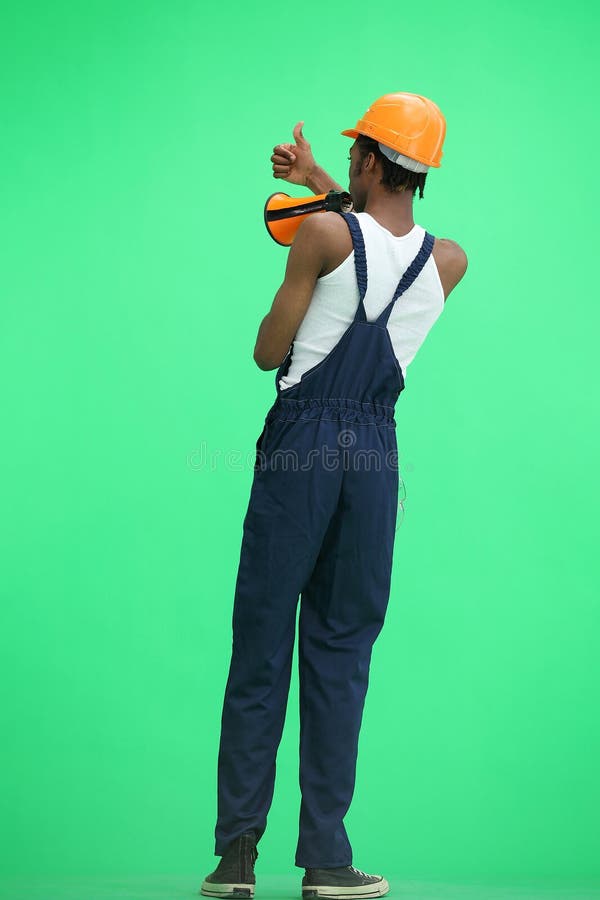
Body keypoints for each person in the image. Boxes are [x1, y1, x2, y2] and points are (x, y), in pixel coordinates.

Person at [200, 93, 468, 900]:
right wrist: (324, 179)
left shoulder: (319, 235)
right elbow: (377, 238)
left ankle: (236, 858)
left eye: (356, 153)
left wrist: (319, 201)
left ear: (372, 161)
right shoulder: (449, 261)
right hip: (374, 457)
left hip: (303, 446)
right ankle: (325, 860)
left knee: (261, 642)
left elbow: (266, 351)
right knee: (343, 651)